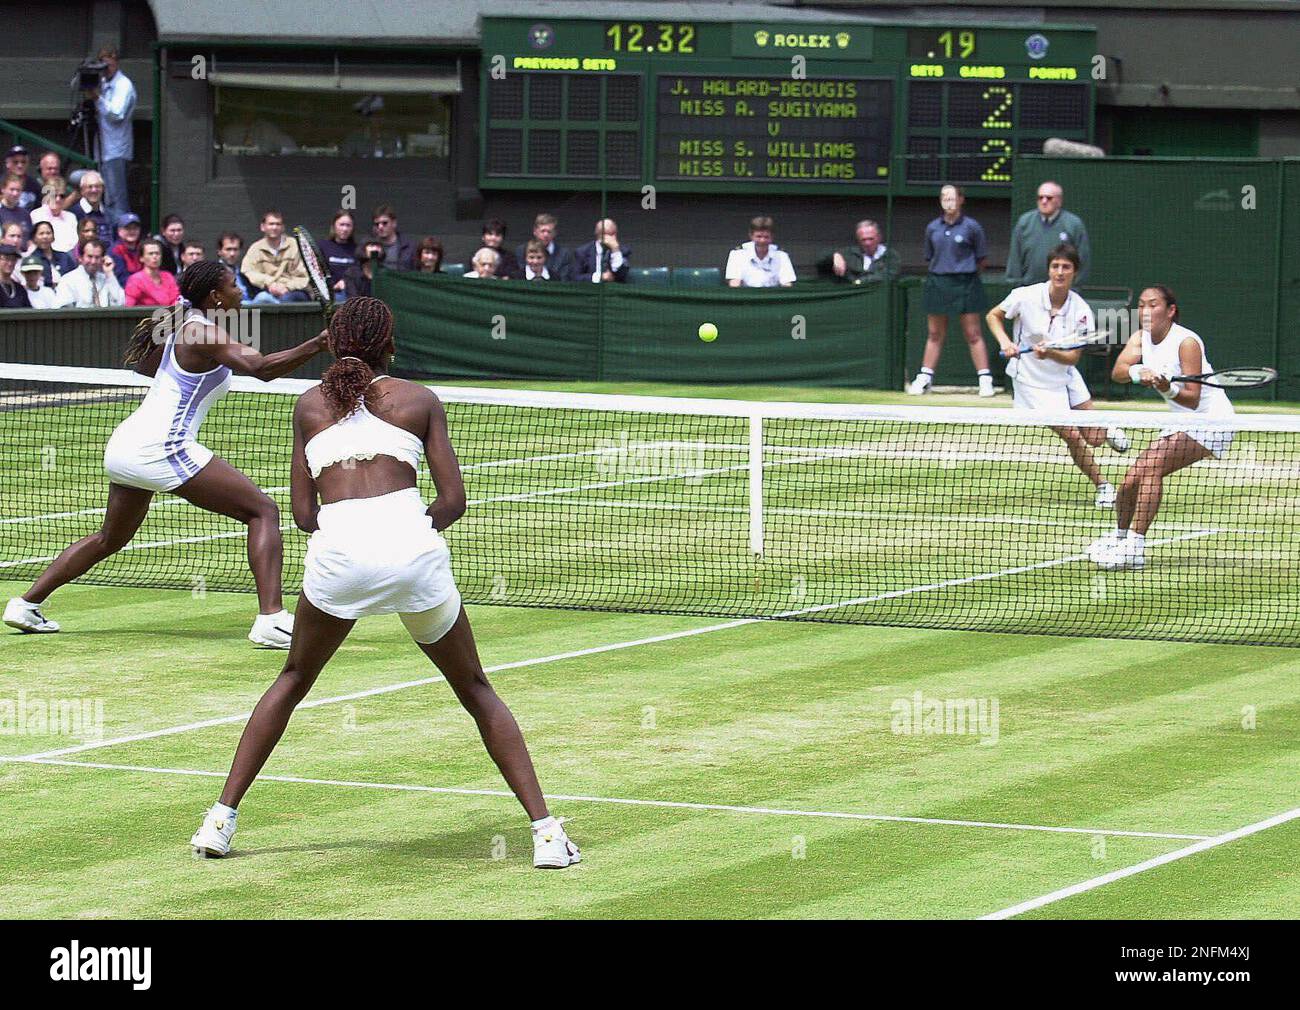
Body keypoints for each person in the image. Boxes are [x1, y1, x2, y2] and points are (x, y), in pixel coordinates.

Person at [187, 297, 581, 869]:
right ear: (388, 344)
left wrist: (354, 535)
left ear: (335, 341)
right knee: (475, 689)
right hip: (413, 551)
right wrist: (411, 531)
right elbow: (454, 501)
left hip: (339, 555)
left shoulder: (307, 406)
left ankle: (218, 822)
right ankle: (546, 835)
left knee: (294, 677)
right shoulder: (420, 400)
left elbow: (301, 515)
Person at [3, 260, 329, 645]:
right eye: (233, 286)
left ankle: (26, 604)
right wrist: (318, 343)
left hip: (128, 444)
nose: (240, 291)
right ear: (214, 296)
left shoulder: (179, 323)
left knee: (110, 537)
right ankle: (271, 619)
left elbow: (147, 369)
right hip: (163, 447)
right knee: (263, 510)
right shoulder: (201, 332)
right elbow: (260, 368)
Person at [1088, 286, 1236, 571]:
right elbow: (1118, 372)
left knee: (1152, 467)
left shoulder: (1187, 342)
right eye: (1141, 305)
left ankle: (1135, 546)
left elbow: (1192, 399)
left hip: (1212, 420)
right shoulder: (1139, 338)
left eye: (1153, 305)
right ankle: (1120, 539)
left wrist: (1166, 388)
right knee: (1131, 480)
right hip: (1180, 422)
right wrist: (1137, 372)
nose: (1145, 311)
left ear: (1170, 311)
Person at [987, 244, 1129, 509]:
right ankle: (1104, 487)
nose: (1060, 272)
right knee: (1073, 436)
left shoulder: (1082, 311)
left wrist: (1050, 353)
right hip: (1031, 382)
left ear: (1075, 272)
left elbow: (1073, 357)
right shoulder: (1025, 296)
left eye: (1066, 267)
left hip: (1064, 375)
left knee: (1095, 438)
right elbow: (993, 316)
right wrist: (1006, 342)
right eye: (1055, 266)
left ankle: (1106, 428)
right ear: (1049, 269)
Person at [908, 184, 993, 397]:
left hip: (966, 282)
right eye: (944, 197)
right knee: (935, 333)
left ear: (961, 199)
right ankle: (925, 378)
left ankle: (985, 380)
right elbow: (930, 257)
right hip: (938, 282)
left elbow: (982, 259)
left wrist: (965, 273)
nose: (948, 201)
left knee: (973, 333)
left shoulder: (972, 227)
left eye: (952, 197)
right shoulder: (932, 228)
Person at [1005, 181, 1091, 286]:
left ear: (1059, 201)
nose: (1044, 201)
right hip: (1029, 289)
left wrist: (1075, 287)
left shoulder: (1074, 224)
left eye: (1049, 198)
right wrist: (1016, 284)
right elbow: (1015, 256)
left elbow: (1082, 259)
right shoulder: (1024, 222)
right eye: (1040, 197)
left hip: (1062, 290)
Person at [90, 45, 137, 223]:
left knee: (116, 198)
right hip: (102, 148)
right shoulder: (102, 83)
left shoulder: (123, 85)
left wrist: (97, 98)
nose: (106, 68)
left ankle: (122, 233)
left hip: (116, 149)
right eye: (103, 63)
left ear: (116, 62)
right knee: (104, 195)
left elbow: (117, 114)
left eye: (109, 63)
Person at [242, 210, 311, 303]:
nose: (274, 227)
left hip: (294, 292)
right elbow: (247, 270)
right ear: (263, 227)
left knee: (287, 300)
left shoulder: (295, 245)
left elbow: (305, 275)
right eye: (271, 224)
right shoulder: (256, 248)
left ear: (283, 227)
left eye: (278, 224)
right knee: (261, 299)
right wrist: (270, 283)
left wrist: (286, 287)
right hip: (267, 291)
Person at [725, 215, 796, 288]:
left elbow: (787, 283)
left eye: (766, 237)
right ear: (751, 236)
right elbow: (734, 283)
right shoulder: (737, 254)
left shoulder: (782, 256)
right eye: (758, 236)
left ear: (772, 237)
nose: (762, 240)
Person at [823, 219, 901, 285]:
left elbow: (888, 276)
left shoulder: (890, 255)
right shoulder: (849, 253)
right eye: (863, 240)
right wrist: (835, 256)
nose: (867, 243)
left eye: (871, 239)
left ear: (879, 238)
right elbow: (820, 257)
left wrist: (859, 282)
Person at [54, 238, 125, 307]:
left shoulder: (106, 279)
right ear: (81, 258)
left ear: (102, 259)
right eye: (89, 256)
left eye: (97, 257)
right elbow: (64, 310)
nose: (93, 261)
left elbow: (120, 303)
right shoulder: (68, 280)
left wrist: (109, 274)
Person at [516, 213, 574, 282]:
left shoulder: (564, 254)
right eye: (543, 231)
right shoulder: (522, 250)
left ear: (554, 233)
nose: (546, 235)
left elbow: (564, 280)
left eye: (549, 231)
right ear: (535, 231)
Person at [123, 238, 180, 307]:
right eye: (150, 254)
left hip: (169, 316)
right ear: (141, 258)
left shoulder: (168, 276)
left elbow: (176, 300)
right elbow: (129, 305)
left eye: (157, 253)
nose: (155, 256)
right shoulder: (135, 279)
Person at [573, 218, 630, 283]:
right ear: (599, 235)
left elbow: (622, 275)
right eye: (610, 234)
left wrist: (615, 250)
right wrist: (600, 277)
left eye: (614, 233)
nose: (613, 238)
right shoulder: (582, 252)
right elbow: (576, 278)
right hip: (591, 290)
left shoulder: (623, 251)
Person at [30, 179, 79, 252]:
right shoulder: (36, 215)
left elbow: (75, 242)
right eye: (54, 195)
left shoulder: (71, 217)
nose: (58, 199)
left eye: (62, 196)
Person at [319, 211, 356, 300]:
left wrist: (346, 282)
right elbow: (318, 272)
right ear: (334, 226)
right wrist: (333, 286)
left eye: (348, 225)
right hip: (329, 293)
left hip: (351, 293)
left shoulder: (357, 249)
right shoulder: (323, 246)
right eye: (341, 225)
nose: (345, 229)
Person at [70, 170, 114, 247]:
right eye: (90, 187)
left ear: (103, 189)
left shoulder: (110, 214)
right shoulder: (73, 214)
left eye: (97, 186)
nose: (94, 190)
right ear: (82, 190)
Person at [28, 221, 77, 288]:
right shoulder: (31, 260)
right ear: (34, 238)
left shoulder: (64, 257)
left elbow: (75, 277)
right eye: (41, 234)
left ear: (53, 237)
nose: (45, 237)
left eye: (48, 233)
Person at [370, 203, 414, 271]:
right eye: (377, 224)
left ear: (394, 223)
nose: (380, 227)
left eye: (385, 223)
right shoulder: (369, 244)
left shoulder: (408, 246)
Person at [109, 212, 144, 286]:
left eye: (135, 228)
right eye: (127, 228)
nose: (132, 231)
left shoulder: (143, 248)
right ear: (119, 231)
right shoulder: (115, 251)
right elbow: (122, 280)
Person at [216, 231, 252, 303]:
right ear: (219, 251)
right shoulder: (214, 273)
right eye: (228, 249)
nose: (232, 254)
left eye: (235, 249)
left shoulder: (243, 275)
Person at [4, 146, 43, 211]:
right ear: (8, 164)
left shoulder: (35, 185)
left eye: (23, 162)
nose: (20, 165)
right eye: (15, 162)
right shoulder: (1, 183)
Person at [0, 174, 33, 247]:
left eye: (18, 190)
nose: (15, 193)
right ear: (3, 189)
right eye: (12, 189)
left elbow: (30, 239)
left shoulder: (25, 214)